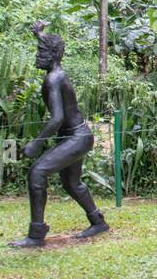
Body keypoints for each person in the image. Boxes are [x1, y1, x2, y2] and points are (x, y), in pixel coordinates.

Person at [10, 23, 109, 247]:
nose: (38, 56)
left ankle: (36, 235)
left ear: (54, 55)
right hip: (76, 136)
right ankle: (98, 221)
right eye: (37, 50)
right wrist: (39, 34)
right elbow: (51, 44)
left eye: (42, 52)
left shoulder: (53, 78)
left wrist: (36, 144)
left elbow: (57, 118)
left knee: (37, 173)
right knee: (72, 183)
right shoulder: (56, 72)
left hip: (76, 137)